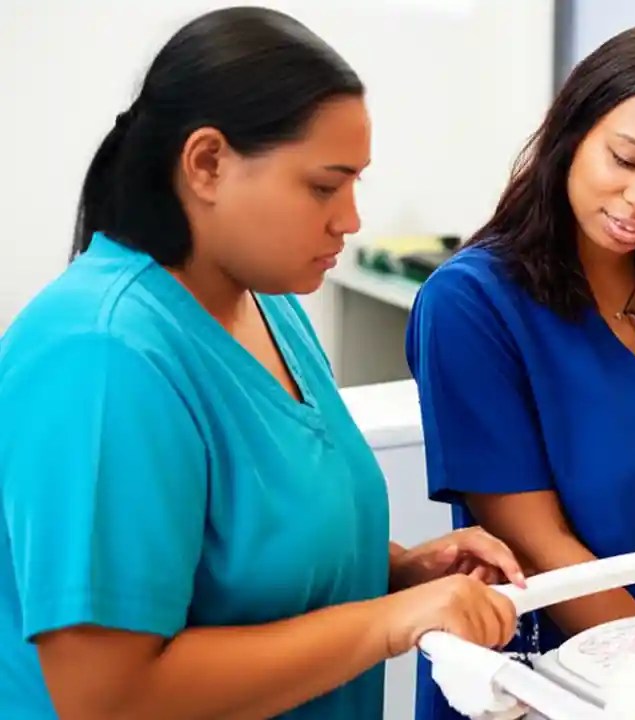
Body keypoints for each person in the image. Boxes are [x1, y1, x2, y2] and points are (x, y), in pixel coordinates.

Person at [0, 8, 521, 718]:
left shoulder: (267, 307)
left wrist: (400, 571)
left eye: (355, 185)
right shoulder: (101, 356)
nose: (350, 219)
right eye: (322, 186)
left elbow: (249, 554)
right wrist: (385, 622)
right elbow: (108, 697)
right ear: (208, 163)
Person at [405, 22, 635, 720]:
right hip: (559, 686)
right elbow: (534, 541)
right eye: (627, 159)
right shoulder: (471, 304)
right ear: (573, 130)